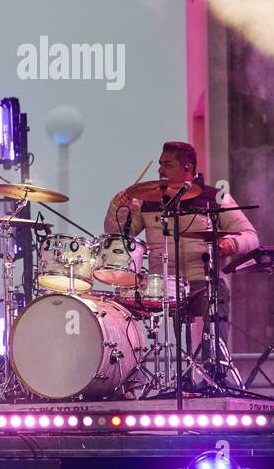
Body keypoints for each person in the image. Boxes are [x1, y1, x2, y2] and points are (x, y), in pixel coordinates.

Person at [105, 140, 258, 351]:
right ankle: (175, 376)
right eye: (160, 164)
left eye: (167, 165)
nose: (160, 170)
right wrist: (119, 207)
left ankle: (214, 371)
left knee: (213, 325)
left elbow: (251, 236)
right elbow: (120, 236)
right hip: (165, 286)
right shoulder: (147, 200)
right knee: (174, 347)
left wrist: (231, 243)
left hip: (204, 282)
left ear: (187, 168)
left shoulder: (215, 197)